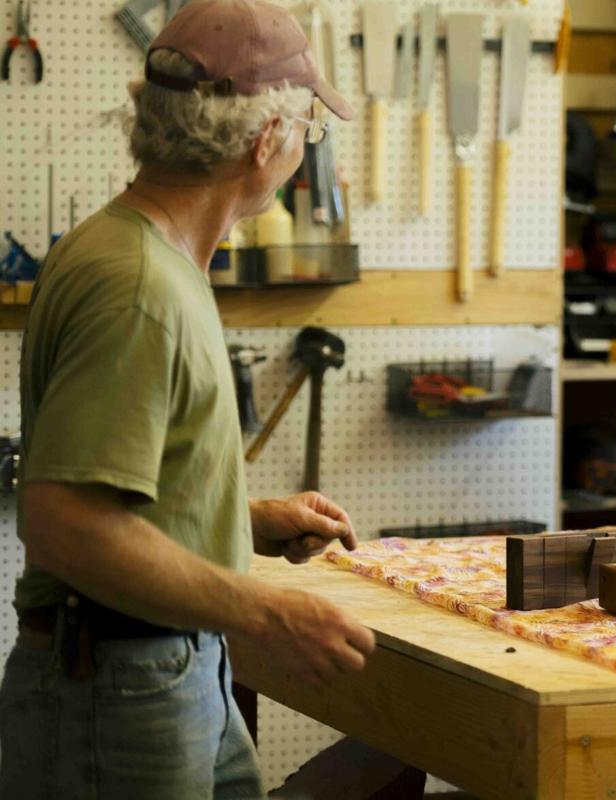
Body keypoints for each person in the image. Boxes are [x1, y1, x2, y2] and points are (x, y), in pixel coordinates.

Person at [0, 2, 375, 797]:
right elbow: (64, 524)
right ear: (265, 140)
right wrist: (262, 612)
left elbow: (119, 494)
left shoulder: (143, 253)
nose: (302, 146)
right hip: (121, 684)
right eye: (306, 125)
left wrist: (237, 516)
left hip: (164, 667)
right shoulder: (139, 286)